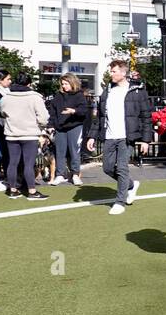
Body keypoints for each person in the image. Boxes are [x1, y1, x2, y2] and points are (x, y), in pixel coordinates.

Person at [87, 59, 153, 215]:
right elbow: (101, 116)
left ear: (123, 72)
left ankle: (120, 201)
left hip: (126, 137)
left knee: (122, 167)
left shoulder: (137, 91)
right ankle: (131, 185)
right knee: (107, 168)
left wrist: (145, 140)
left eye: (114, 71)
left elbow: (146, 117)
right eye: (111, 71)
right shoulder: (107, 91)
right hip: (109, 136)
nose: (111, 74)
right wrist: (92, 136)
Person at [0, 72, 51, 201]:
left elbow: (2, 112)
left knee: (13, 163)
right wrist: (40, 126)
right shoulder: (35, 97)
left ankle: (13, 190)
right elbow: (44, 118)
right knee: (29, 163)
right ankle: (32, 191)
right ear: (29, 83)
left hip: (12, 134)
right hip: (29, 134)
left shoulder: (6, 96)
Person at [48, 74, 91, 186]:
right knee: (60, 151)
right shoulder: (58, 96)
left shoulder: (79, 95)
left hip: (75, 126)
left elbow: (84, 110)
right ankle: (60, 175)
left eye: (66, 84)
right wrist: (51, 125)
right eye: (62, 84)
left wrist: (74, 111)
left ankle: (75, 174)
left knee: (74, 151)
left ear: (72, 83)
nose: (64, 86)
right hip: (60, 127)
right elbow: (52, 112)